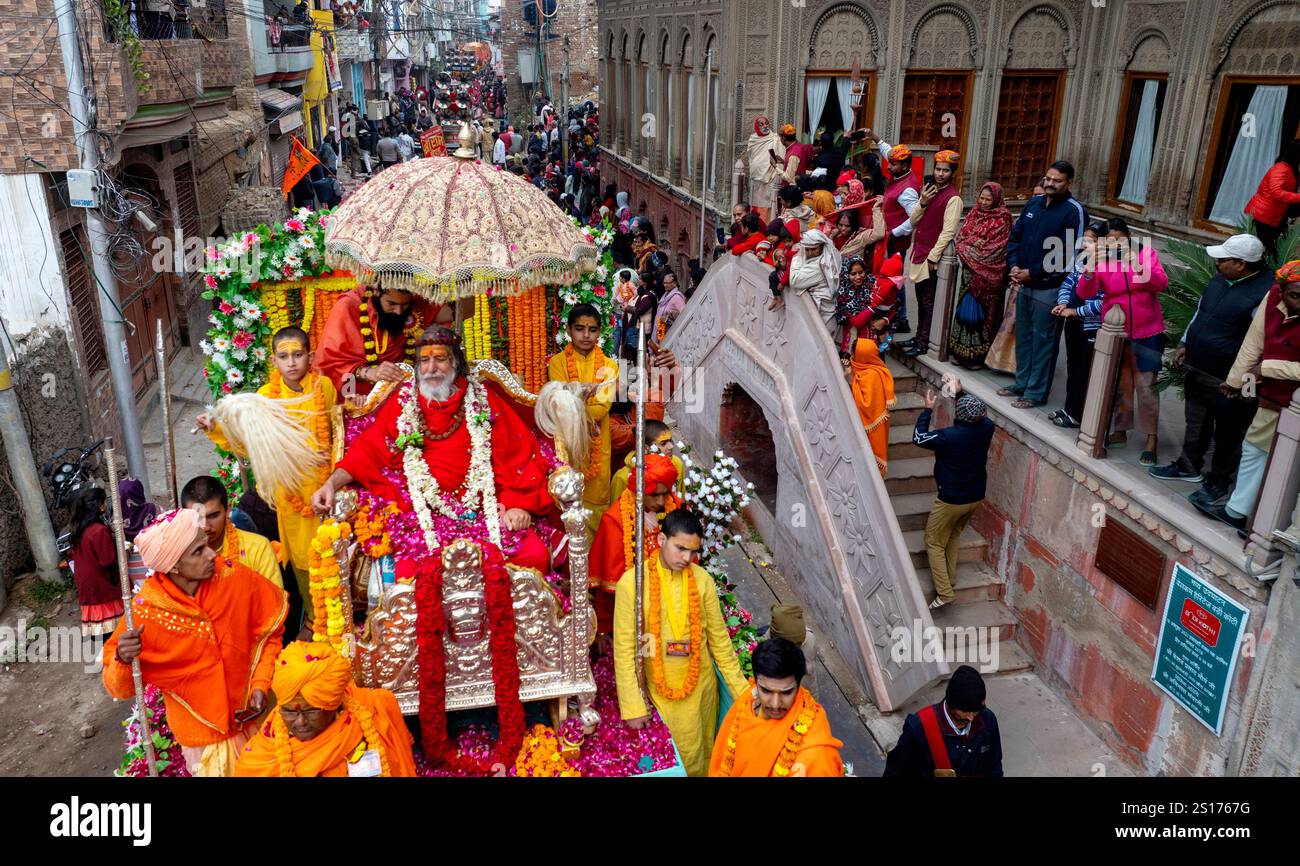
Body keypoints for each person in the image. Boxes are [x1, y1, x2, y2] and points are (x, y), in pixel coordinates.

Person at [312, 326, 560, 576]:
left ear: (455, 363)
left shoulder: (483, 401)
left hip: (487, 514)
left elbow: (518, 454)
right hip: (423, 518)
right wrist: (330, 485)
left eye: (440, 359)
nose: (431, 369)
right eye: (425, 360)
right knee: (409, 571)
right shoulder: (403, 403)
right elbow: (368, 451)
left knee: (534, 556)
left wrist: (518, 504)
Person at [103, 506, 287, 776]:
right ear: (173, 565)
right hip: (201, 741)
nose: (213, 554)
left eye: (206, 545)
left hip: (255, 720)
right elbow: (118, 689)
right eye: (198, 551)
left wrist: (261, 682)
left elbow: (271, 633)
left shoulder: (233, 576)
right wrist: (122, 658)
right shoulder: (145, 613)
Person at [198, 327, 335, 634]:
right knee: (302, 559)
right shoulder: (264, 398)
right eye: (284, 357)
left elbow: (335, 432)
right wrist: (215, 429)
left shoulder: (324, 388)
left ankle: (335, 618)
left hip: (325, 489)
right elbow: (250, 446)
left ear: (310, 357)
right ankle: (314, 621)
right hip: (291, 499)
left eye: (298, 355)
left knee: (332, 555)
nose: (291, 363)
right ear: (273, 361)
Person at [614, 509, 749, 777]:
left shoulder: (703, 581)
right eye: (680, 548)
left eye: (693, 551)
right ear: (662, 539)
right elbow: (625, 649)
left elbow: (720, 643)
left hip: (700, 691)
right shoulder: (632, 584)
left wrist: (745, 695)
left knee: (700, 759)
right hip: (657, 694)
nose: (687, 558)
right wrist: (633, 706)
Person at [1152, 235, 1273, 504]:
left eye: (1222, 259)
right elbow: (1200, 311)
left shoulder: (1267, 292)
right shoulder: (1219, 278)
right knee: (1196, 420)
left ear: (1241, 265)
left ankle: (1218, 482)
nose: (1216, 263)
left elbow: (1261, 339)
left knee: (1229, 431)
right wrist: (1185, 341)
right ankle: (1188, 466)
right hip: (1199, 366)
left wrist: (1246, 378)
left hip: (1229, 377)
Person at [1197, 261, 1300, 535]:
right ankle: (1238, 512)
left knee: (1285, 462)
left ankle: (1265, 525)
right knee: (1255, 449)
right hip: (1271, 396)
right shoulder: (1273, 295)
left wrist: (1265, 368)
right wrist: (1236, 381)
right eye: (1295, 295)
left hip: (1293, 401)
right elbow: (1253, 342)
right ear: (1283, 289)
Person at [234, 641, 417, 777]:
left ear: (334, 705)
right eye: (290, 712)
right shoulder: (265, 748)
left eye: (310, 711)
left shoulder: (369, 716)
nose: (300, 722)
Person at [1076, 218, 1168, 464]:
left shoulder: (1146, 254)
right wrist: (1091, 265)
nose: (1116, 244)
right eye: (1110, 239)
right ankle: (1120, 430)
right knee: (1120, 383)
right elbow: (1084, 293)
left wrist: (1134, 262)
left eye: (1120, 238)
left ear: (1129, 236)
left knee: (1146, 386)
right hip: (1116, 332)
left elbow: (1160, 283)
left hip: (1148, 330)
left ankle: (1151, 437)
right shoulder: (1103, 259)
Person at [1000, 160, 1089, 408]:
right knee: (1024, 336)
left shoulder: (1074, 211)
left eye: (1057, 180)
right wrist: (1015, 266)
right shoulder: (1034, 203)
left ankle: (1035, 393)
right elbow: (1015, 238)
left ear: (1069, 182)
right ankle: (1021, 383)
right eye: (1048, 178)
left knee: (1044, 341)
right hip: (1023, 282)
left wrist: (1034, 273)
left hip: (1050, 288)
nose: (1050, 184)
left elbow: (1069, 254)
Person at [913, 376, 994, 608]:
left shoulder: (949, 437)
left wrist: (927, 410)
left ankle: (945, 592)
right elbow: (973, 412)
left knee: (933, 541)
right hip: (976, 495)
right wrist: (959, 392)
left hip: (951, 498)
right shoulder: (987, 428)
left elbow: (918, 437)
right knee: (953, 535)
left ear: (960, 415)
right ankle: (950, 578)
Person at [709, 637, 843, 777]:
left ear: (798, 686)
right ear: (755, 682)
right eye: (766, 691)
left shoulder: (816, 755)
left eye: (786, 692)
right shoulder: (747, 703)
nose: (775, 704)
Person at [590, 453, 680, 638]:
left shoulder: (676, 509)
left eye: (665, 494)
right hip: (632, 615)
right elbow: (607, 585)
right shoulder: (615, 520)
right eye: (654, 495)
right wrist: (603, 629)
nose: (661, 502)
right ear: (638, 491)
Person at [547, 304, 620, 526]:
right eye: (580, 329)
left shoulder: (609, 366)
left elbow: (601, 409)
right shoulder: (557, 363)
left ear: (600, 332)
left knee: (596, 510)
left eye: (593, 329)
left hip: (598, 444)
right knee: (568, 505)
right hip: (567, 445)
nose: (586, 335)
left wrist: (575, 400)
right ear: (568, 330)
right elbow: (560, 406)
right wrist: (584, 397)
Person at [313, 285, 446, 399]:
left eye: (404, 305)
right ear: (376, 291)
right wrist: (369, 373)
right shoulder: (349, 306)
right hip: (357, 399)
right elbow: (328, 363)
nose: (399, 312)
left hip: (399, 397)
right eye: (392, 304)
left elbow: (455, 312)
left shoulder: (415, 306)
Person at [899, 150, 964, 358]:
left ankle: (924, 342)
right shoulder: (930, 191)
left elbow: (948, 232)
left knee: (928, 301)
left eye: (945, 170)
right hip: (919, 252)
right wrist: (923, 202)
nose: (940, 174)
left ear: (952, 173)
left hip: (931, 257)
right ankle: (918, 337)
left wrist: (933, 257)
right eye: (938, 169)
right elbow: (914, 220)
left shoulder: (953, 199)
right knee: (920, 298)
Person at [883, 665, 1003, 777]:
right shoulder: (919, 727)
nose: (971, 717)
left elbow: (994, 765)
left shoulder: (987, 721)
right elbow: (895, 771)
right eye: (966, 711)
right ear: (951, 703)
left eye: (976, 710)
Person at [947, 181, 1013, 368]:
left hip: (987, 278)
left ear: (997, 199)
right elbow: (962, 239)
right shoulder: (974, 214)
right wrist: (972, 246)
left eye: (988, 199)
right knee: (964, 312)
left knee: (979, 316)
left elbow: (995, 249)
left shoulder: (1003, 219)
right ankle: (960, 352)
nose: (983, 202)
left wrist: (970, 247)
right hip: (968, 274)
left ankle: (976, 358)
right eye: (981, 198)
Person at [1048, 221, 1107, 428]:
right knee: (1072, 366)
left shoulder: (1107, 267)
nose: (1085, 244)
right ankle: (1069, 408)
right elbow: (1068, 282)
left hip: (1089, 325)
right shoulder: (1082, 261)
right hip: (1072, 321)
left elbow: (1103, 302)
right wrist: (1063, 302)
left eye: (1091, 241)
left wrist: (1076, 311)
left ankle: (1078, 414)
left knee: (1083, 370)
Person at [66, 487, 124, 638]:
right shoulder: (98, 531)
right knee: (114, 634)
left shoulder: (78, 530)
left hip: (87, 587)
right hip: (101, 585)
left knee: (103, 635)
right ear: (99, 506)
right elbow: (107, 560)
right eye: (104, 501)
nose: (106, 505)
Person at [1243, 139, 1300, 259]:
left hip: (1271, 217)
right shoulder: (1281, 168)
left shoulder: (1289, 169)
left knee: (1266, 252)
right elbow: (1277, 193)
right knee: (1258, 253)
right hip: (1263, 217)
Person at [849, 337, 896, 477]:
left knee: (870, 454)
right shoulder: (862, 368)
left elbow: (866, 405)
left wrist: (851, 382)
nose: (851, 356)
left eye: (854, 353)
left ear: (862, 356)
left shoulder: (872, 375)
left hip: (873, 423)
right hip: (871, 422)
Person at [609, 420, 685, 505]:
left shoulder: (676, 463)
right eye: (663, 444)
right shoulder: (622, 478)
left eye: (671, 441)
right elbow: (616, 513)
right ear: (645, 448)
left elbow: (680, 501)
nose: (671, 446)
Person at [786, 228, 841, 329]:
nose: (810, 253)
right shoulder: (820, 257)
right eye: (807, 249)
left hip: (823, 315)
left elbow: (794, 281)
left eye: (813, 249)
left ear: (821, 247)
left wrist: (797, 256)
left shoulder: (821, 264)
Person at [746, 116, 785, 220]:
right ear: (756, 127)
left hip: (770, 179)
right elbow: (751, 157)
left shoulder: (775, 139)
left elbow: (777, 158)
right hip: (756, 180)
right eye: (761, 124)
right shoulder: (753, 139)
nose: (765, 126)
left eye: (766, 123)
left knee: (768, 206)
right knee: (756, 207)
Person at [655, 271, 687, 341]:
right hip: (661, 329)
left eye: (667, 283)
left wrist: (670, 315)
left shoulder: (677, 297)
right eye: (664, 283)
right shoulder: (665, 296)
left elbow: (683, 314)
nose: (665, 285)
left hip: (670, 332)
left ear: (674, 283)